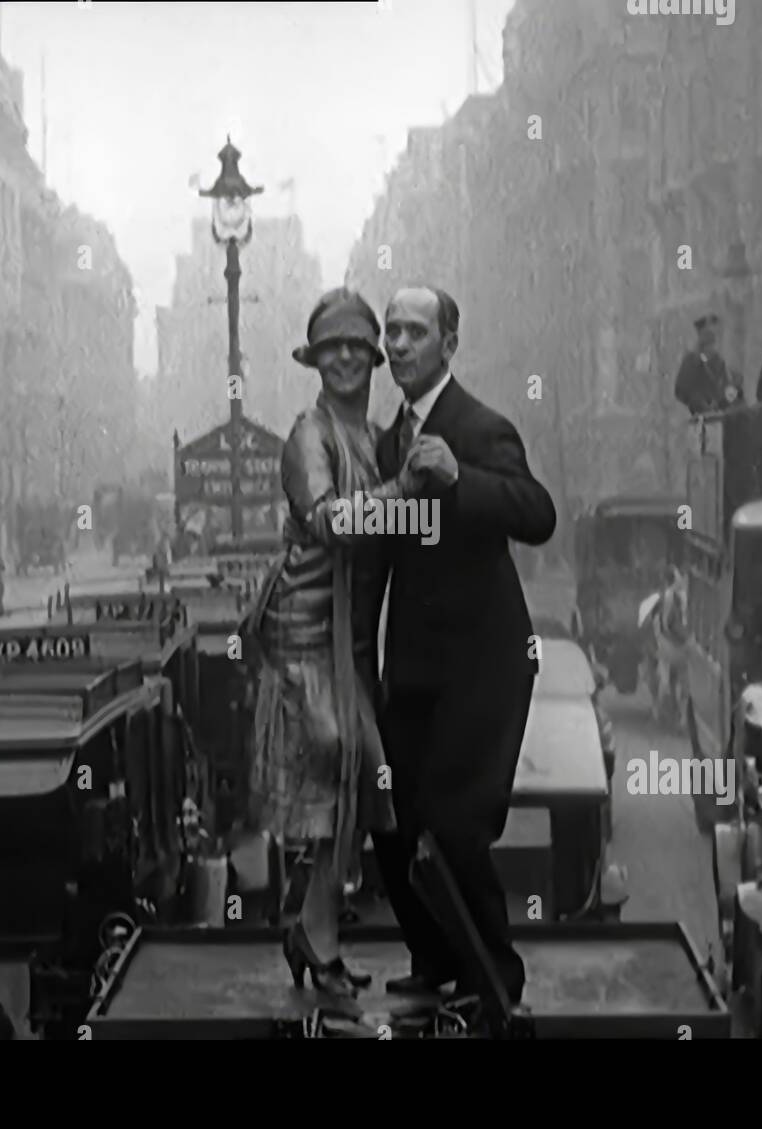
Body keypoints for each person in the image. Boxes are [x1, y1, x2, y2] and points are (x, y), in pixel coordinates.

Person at [374, 286, 556, 1009]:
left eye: (415, 331)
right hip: (415, 669)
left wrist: (462, 479)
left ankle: (496, 979)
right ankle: (435, 957)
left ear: (449, 343)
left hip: (484, 665)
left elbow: (537, 513)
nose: (398, 344)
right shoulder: (392, 438)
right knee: (390, 817)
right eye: (391, 330)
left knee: (454, 825)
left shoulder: (480, 426)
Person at [244, 287, 409, 1000]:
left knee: (360, 787)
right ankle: (315, 937)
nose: (344, 356)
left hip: (352, 636)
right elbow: (331, 521)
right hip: (306, 631)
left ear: (374, 356)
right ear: (314, 360)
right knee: (337, 768)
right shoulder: (306, 437)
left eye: (355, 344)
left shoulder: (373, 436)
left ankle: (314, 936)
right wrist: (407, 489)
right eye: (329, 346)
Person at [674, 313, 742, 415]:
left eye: (714, 338)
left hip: (719, 418)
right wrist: (698, 403)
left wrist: (734, 388)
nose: (713, 343)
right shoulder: (690, 361)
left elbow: (725, 394)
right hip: (698, 419)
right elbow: (681, 391)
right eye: (708, 335)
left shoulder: (719, 362)